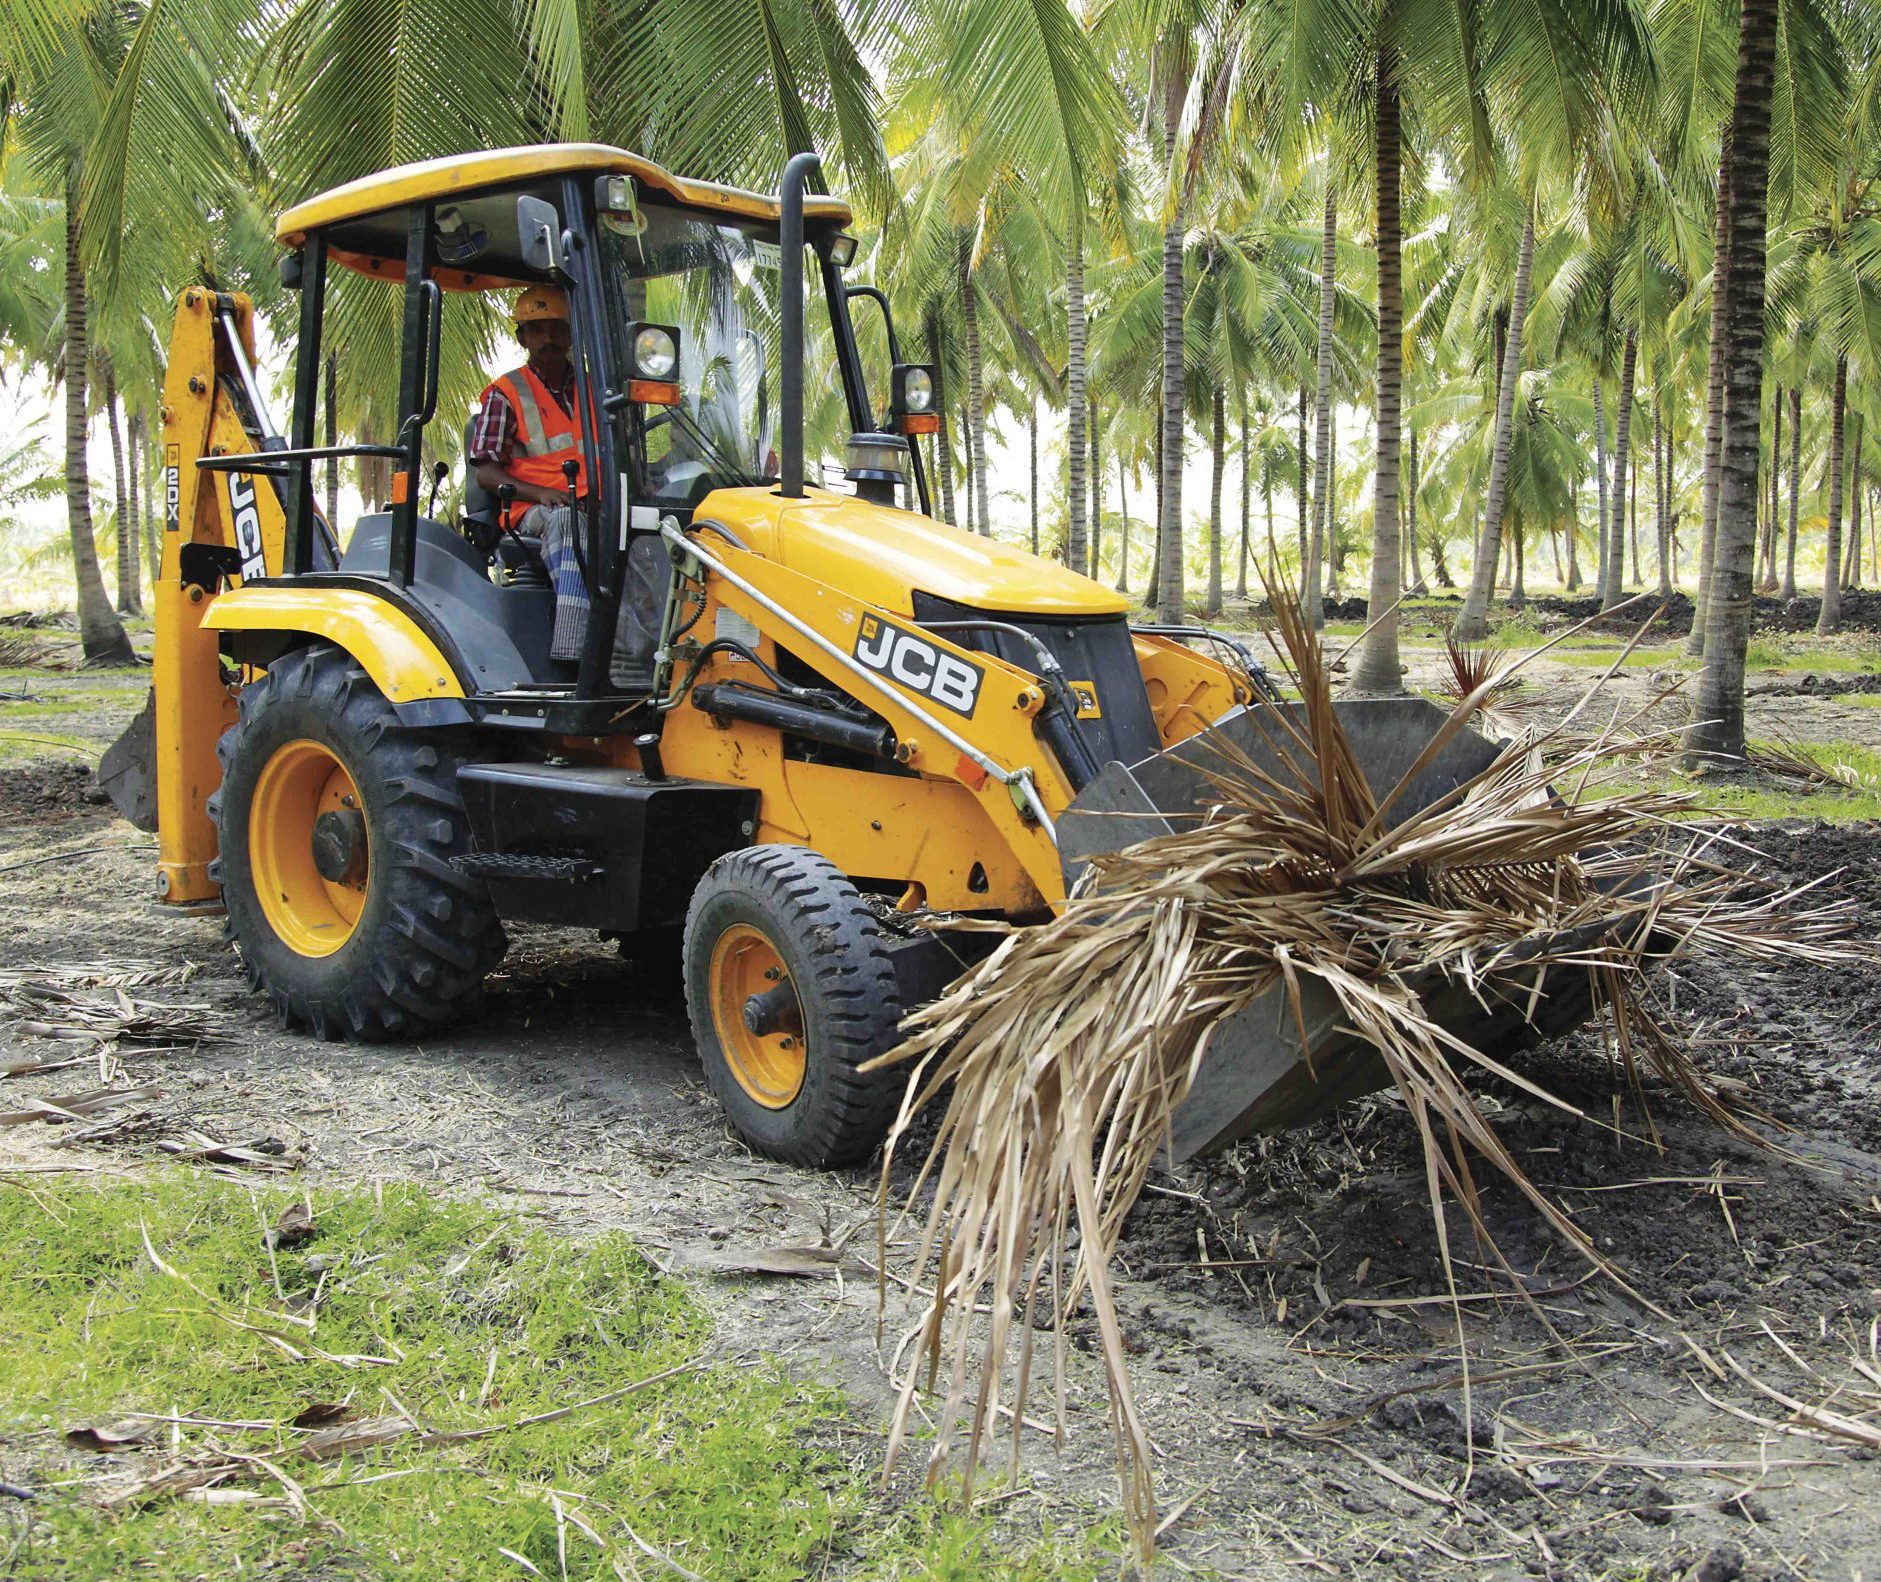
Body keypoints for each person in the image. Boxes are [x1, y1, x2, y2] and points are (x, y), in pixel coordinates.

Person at [470, 286, 590, 661]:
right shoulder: (507, 394)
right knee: (567, 521)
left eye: (556, 327)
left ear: (570, 333)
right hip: (533, 510)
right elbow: (486, 474)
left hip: (599, 503)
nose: (549, 338)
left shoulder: (594, 389)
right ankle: (575, 650)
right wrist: (539, 494)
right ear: (522, 337)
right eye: (537, 329)